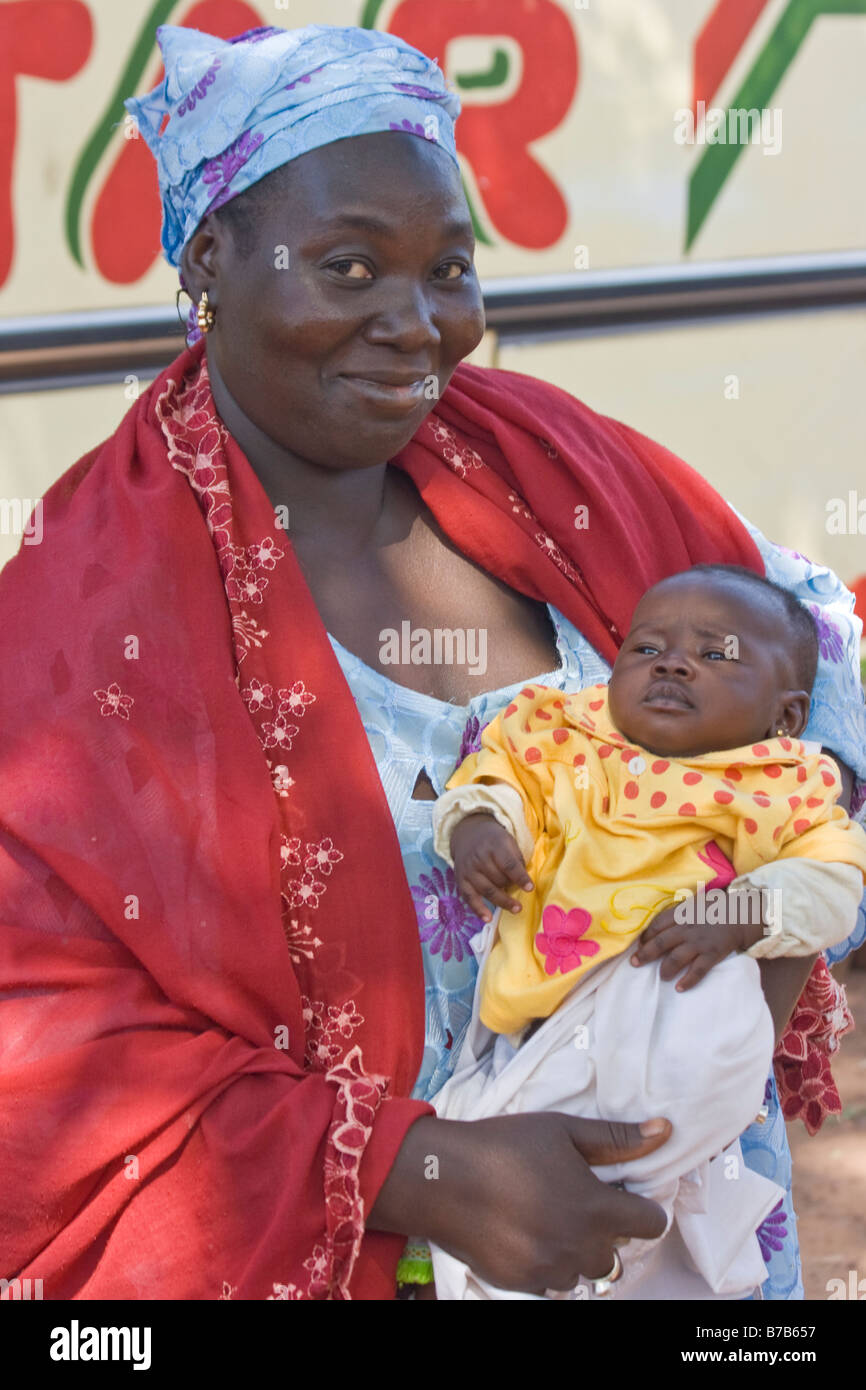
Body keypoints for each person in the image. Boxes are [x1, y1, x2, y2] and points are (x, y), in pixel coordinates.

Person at [0, 22, 863, 1301]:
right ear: (208, 259)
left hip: (687, 1255)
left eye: (447, 271)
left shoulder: (558, 465)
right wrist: (424, 1174)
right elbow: (47, 1034)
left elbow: (797, 644)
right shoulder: (85, 619)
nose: (415, 327)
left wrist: (790, 887)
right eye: (348, 268)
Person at [427, 565, 866, 1298]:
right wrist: (479, 824)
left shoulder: (777, 781)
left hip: (669, 991)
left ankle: (634, 1202)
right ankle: (563, 1239)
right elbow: (496, 776)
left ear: (785, 718)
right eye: (646, 648)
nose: (673, 661)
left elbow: (834, 889)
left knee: (717, 1021)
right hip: (546, 1018)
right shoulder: (565, 736)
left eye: (717, 653)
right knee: (481, 1127)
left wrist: (736, 913)